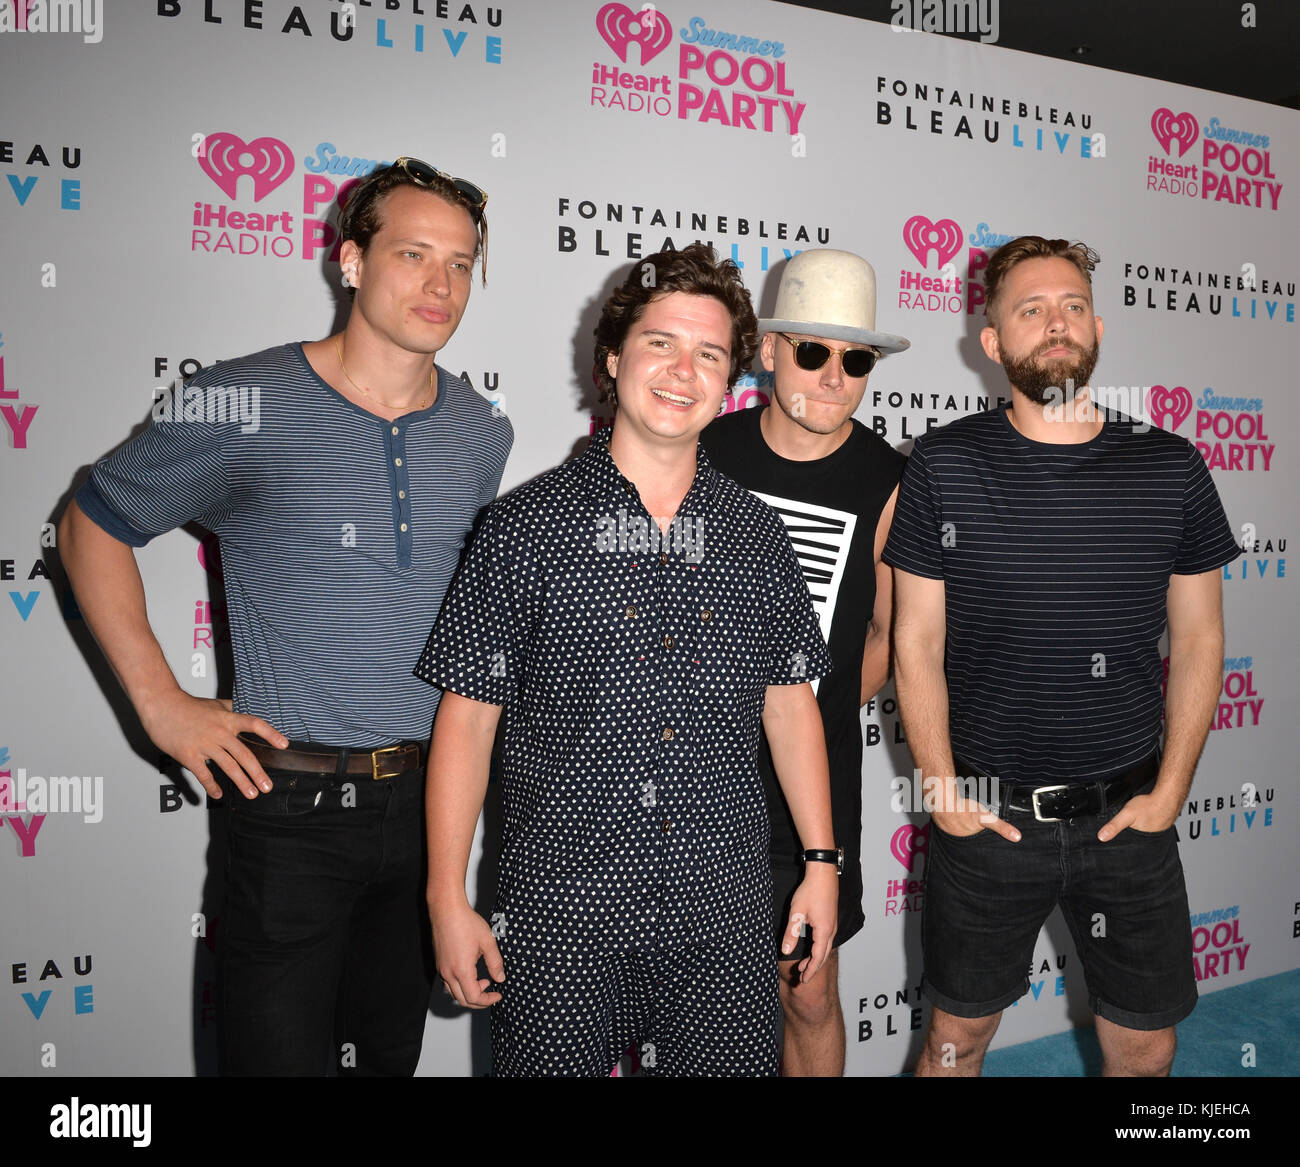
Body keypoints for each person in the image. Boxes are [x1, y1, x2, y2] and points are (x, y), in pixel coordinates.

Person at [57, 157, 511, 1076]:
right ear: (349, 260)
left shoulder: (481, 428)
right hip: (289, 810)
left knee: (383, 1062)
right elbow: (89, 524)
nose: (440, 283)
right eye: (414, 253)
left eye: (461, 263)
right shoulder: (244, 399)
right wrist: (160, 701)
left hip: (431, 806)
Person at [416, 243, 839, 1077]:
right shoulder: (523, 528)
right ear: (612, 358)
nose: (684, 370)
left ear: (730, 381)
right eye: (660, 343)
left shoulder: (757, 536)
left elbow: (791, 706)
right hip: (560, 914)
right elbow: (466, 720)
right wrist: (445, 894)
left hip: (722, 909)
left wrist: (822, 864)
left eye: (709, 353)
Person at [884, 236, 1240, 1077]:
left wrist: (1172, 790)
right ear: (993, 342)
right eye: (1031, 309)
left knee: (1146, 1046)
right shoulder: (944, 463)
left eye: (1072, 305)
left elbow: (1198, 639)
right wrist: (941, 787)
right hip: (987, 819)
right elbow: (915, 640)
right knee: (954, 1041)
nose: (1057, 324)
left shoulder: (1170, 465)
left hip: (1131, 819)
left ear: (1100, 328)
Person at [700, 248, 909, 1077]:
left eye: (855, 359)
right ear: (768, 349)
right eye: (813, 352)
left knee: (808, 988)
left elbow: (891, 636)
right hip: (689, 771)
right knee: (700, 993)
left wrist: (812, 715)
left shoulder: (892, 479)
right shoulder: (705, 450)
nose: (834, 377)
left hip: (808, 786)